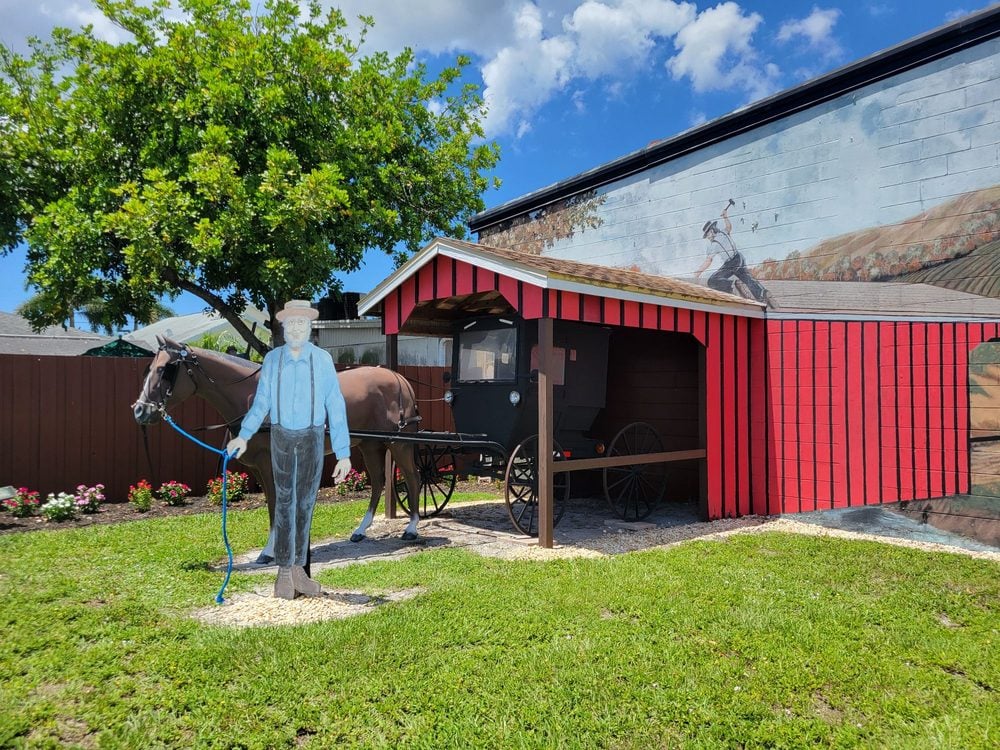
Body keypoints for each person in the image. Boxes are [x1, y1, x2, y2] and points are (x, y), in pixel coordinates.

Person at [227, 300, 352, 599]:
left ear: (309, 327)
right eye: (291, 324)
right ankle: (284, 572)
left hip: (311, 436)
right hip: (281, 437)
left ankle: (298, 570)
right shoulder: (272, 360)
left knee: (305, 504)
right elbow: (262, 403)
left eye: (302, 324)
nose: (296, 329)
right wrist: (244, 436)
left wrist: (343, 451)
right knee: (284, 502)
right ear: (284, 328)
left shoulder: (321, 360)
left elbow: (335, 403)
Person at [695, 198, 769, 303]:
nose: (708, 237)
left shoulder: (715, 243)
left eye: (707, 234)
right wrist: (725, 217)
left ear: (711, 231)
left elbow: (708, 261)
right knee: (746, 278)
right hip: (739, 258)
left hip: (731, 262)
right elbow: (729, 227)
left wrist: (698, 272)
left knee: (712, 281)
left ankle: (732, 286)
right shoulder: (724, 232)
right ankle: (762, 294)